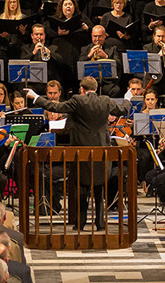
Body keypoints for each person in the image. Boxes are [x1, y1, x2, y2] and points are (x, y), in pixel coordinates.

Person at [26, 77, 132, 230]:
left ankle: (80, 223)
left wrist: (35, 97)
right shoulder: (105, 100)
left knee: (82, 187)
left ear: (82, 89)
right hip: (102, 151)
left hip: (81, 151)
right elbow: (122, 110)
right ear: (96, 89)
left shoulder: (77, 100)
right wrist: (127, 98)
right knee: (99, 187)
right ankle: (100, 223)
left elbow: (55, 107)